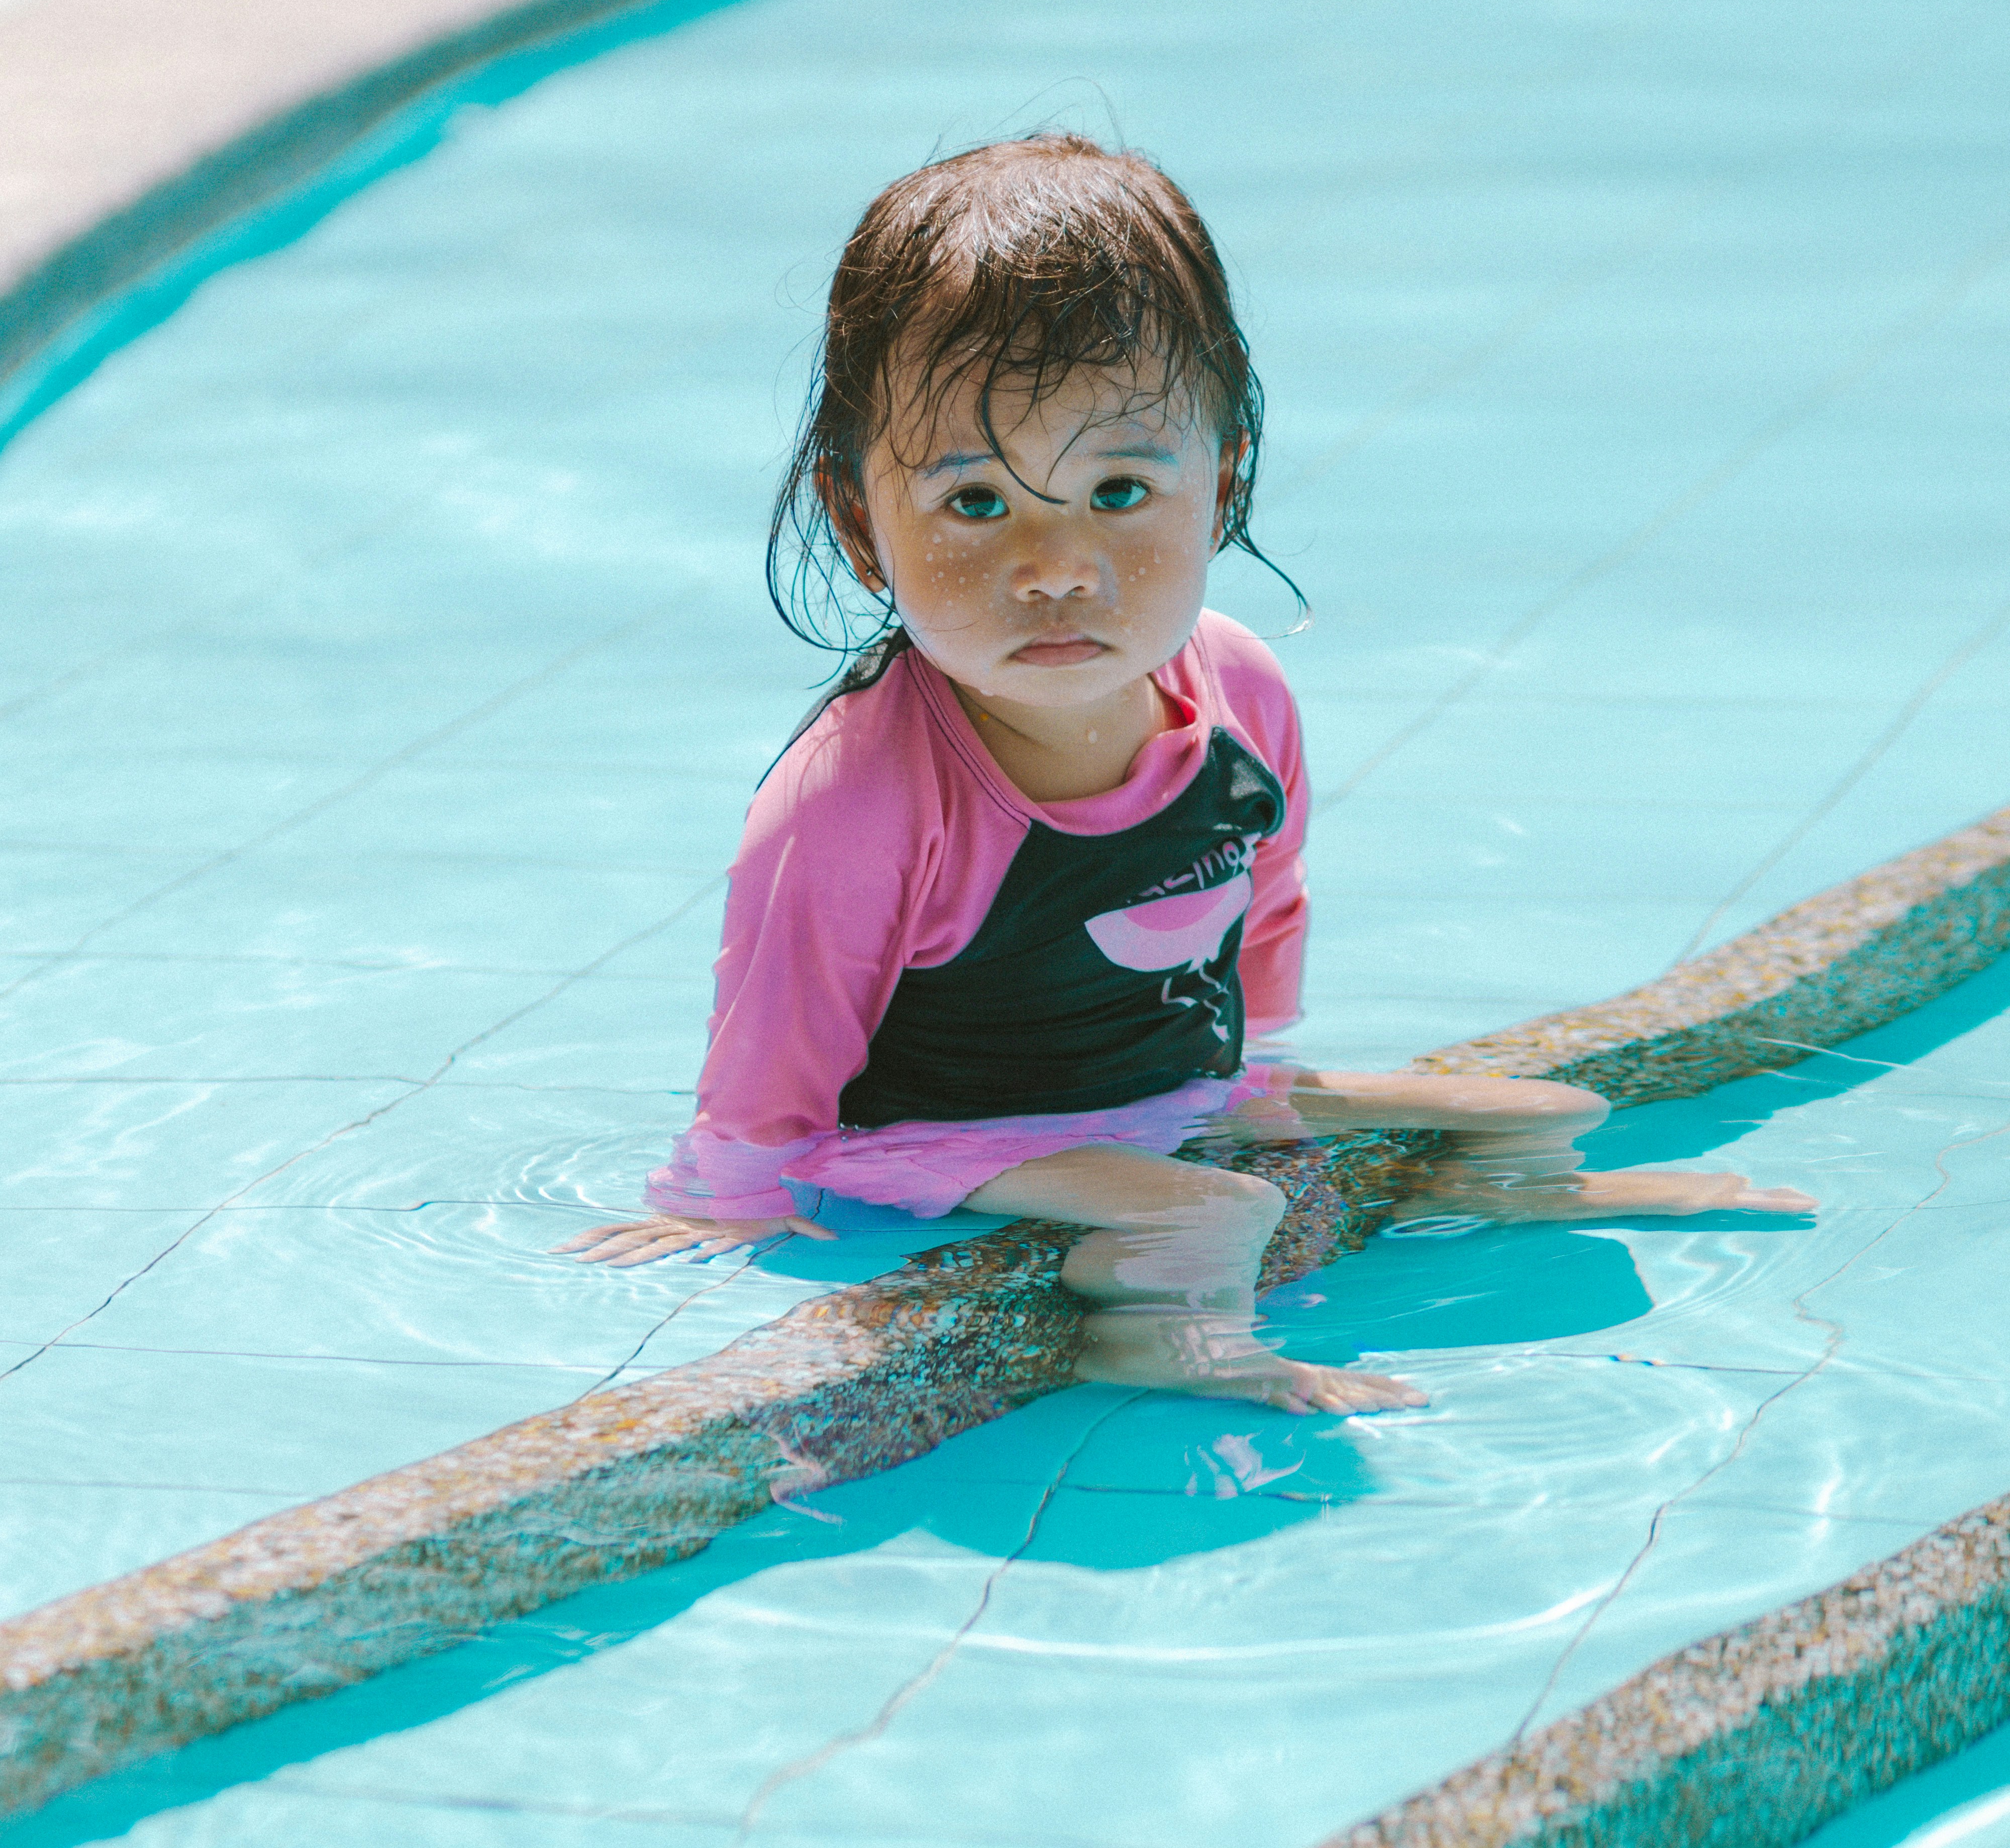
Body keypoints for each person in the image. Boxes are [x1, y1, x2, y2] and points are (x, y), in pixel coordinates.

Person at [568, 133, 1811, 1414]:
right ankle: (1152, 1337)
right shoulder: (858, 798)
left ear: (1217, 487)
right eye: (977, 505)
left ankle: (1497, 1185)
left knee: (1536, 1106)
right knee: (1210, 1216)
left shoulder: (1240, 690)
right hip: (935, 1143)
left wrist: (1253, 1079)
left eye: (1117, 488)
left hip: (1171, 1099)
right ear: (858, 524)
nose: (1055, 565)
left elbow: (1264, 892)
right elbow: (773, 1043)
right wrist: (723, 1208)